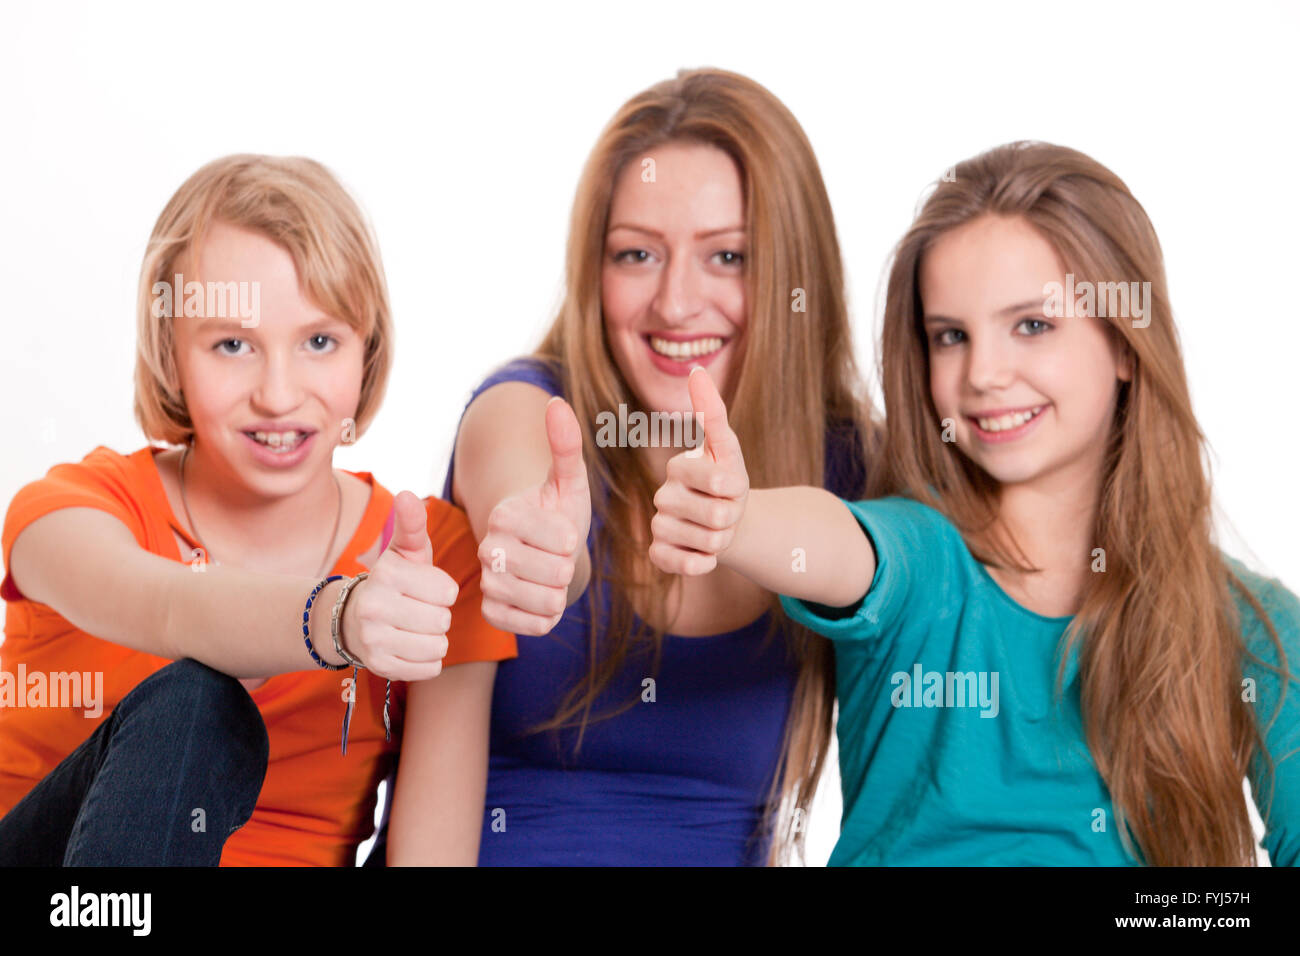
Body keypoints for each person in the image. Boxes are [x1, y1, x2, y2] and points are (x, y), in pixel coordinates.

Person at [651, 142, 1300, 865]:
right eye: (950, 337)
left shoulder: (1251, 626)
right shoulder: (925, 558)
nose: (985, 374)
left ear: (1125, 343)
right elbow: (843, 547)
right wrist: (739, 520)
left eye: (1032, 325)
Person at [381, 67, 874, 866]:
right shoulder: (523, 410)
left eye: (728, 257)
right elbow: (522, 491)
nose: (676, 304)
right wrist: (540, 550)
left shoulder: (850, 467)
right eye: (637, 254)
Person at [0, 154, 514, 866]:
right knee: (195, 702)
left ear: (365, 354)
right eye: (233, 345)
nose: (278, 393)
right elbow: (173, 608)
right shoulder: (73, 513)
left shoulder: (431, 555)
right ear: (170, 352)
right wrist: (341, 618)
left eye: (319, 342)